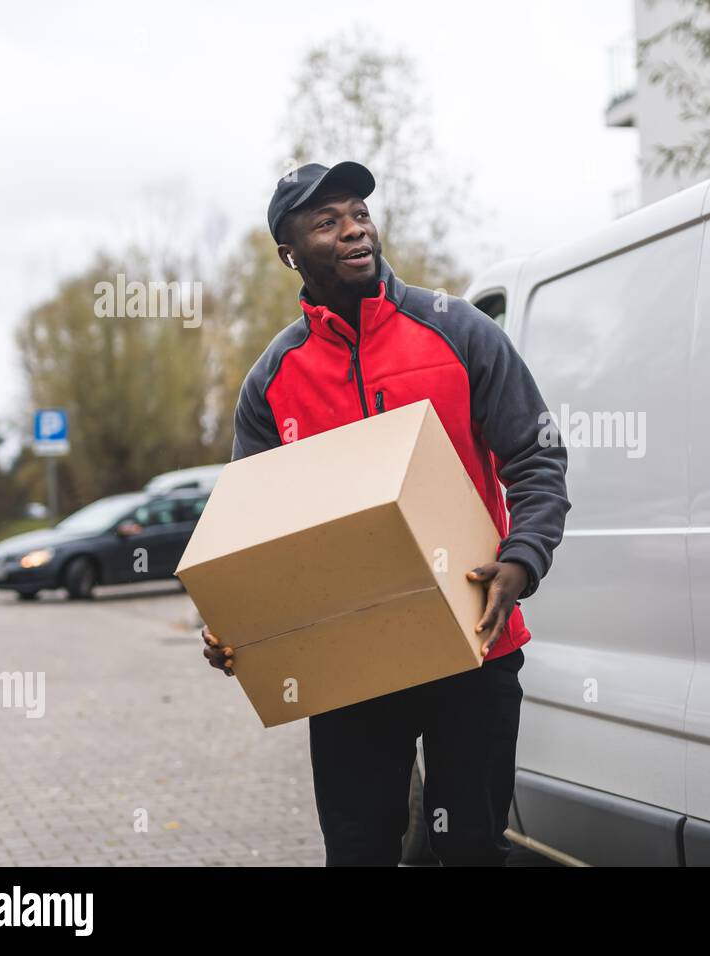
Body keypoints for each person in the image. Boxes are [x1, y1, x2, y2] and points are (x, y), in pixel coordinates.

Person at [200, 161, 570, 866]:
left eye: (359, 213)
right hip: (349, 663)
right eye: (327, 221)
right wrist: (232, 624)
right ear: (290, 253)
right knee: (359, 849)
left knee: (469, 847)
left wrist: (523, 559)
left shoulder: (456, 329)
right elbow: (251, 534)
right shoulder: (273, 379)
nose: (353, 230)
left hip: (475, 640)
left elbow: (537, 458)